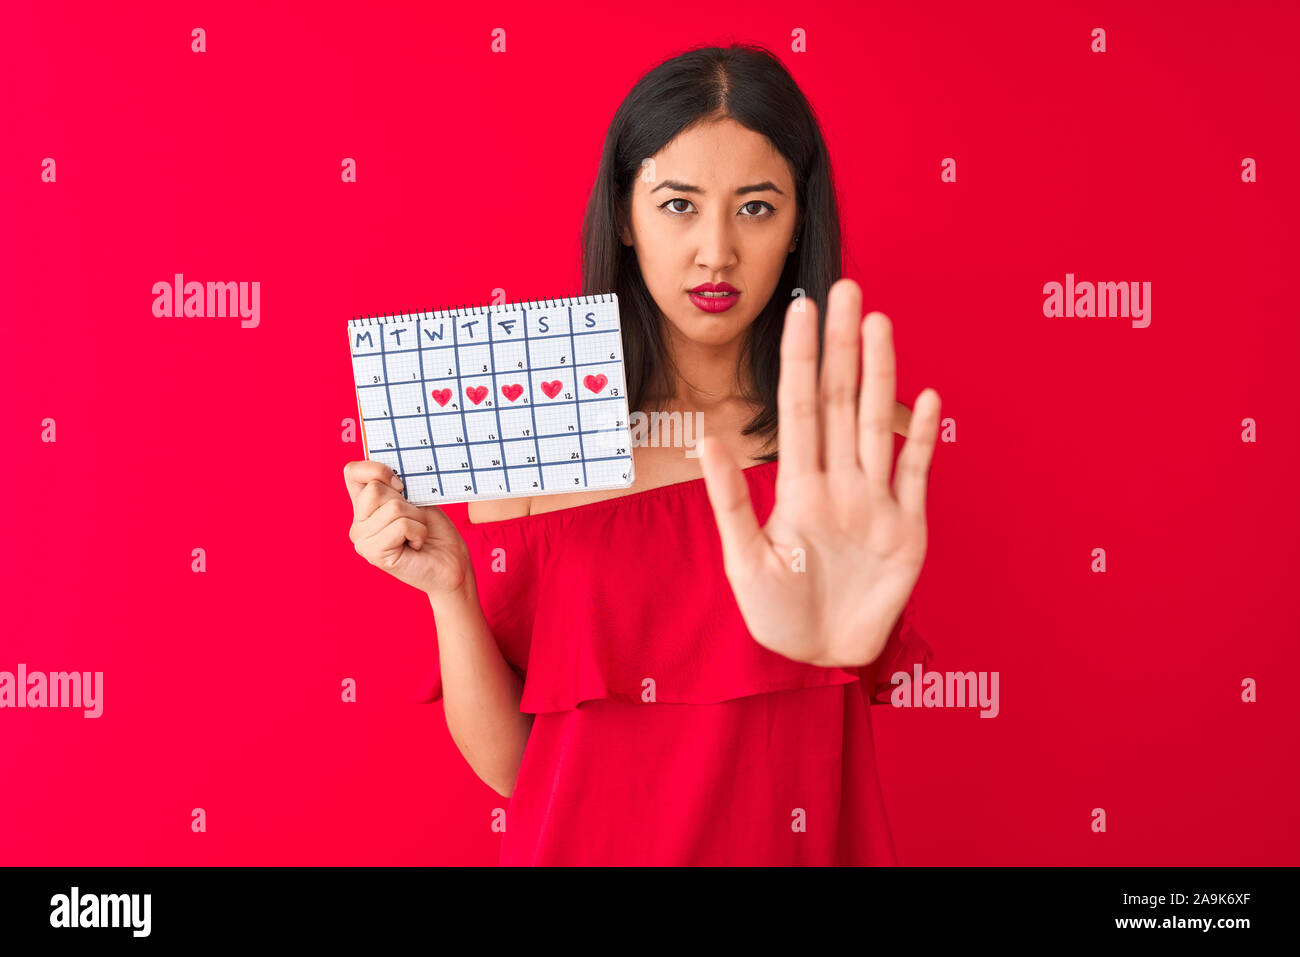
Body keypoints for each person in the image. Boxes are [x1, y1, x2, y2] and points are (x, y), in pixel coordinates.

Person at [343, 43, 941, 865]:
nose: (716, 252)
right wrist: (450, 590)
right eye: (678, 205)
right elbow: (518, 771)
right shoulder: (531, 452)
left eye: (757, 207)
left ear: (801, 221)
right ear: (624, 215)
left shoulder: (868, 452)